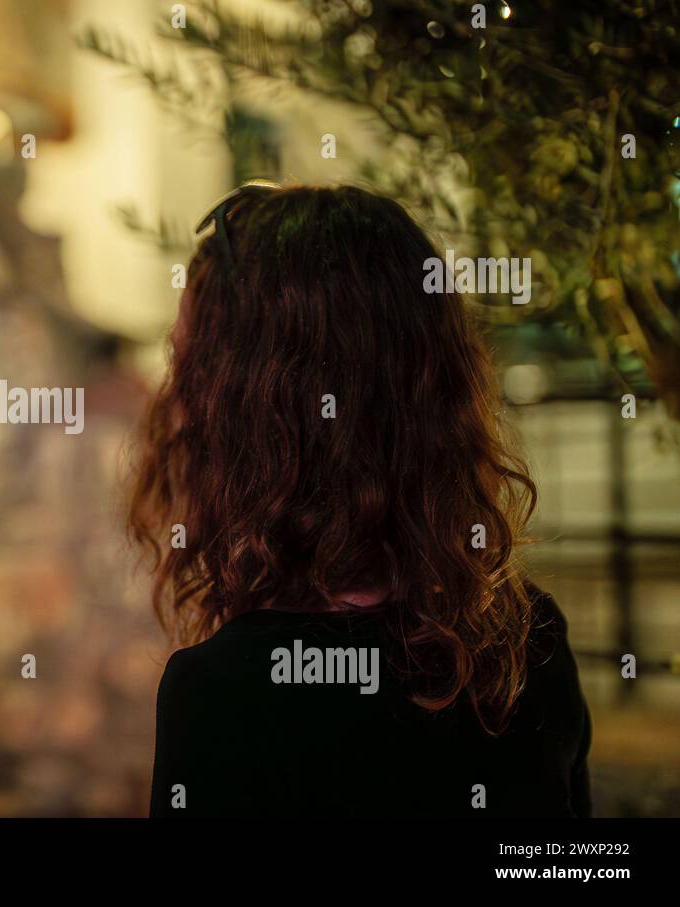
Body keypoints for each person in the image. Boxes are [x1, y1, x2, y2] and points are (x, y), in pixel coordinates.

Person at [130, 183, 591, 817]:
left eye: (189, 370)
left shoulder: (227, 692)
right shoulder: (528, 640)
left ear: (250, 419)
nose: (172, 407)